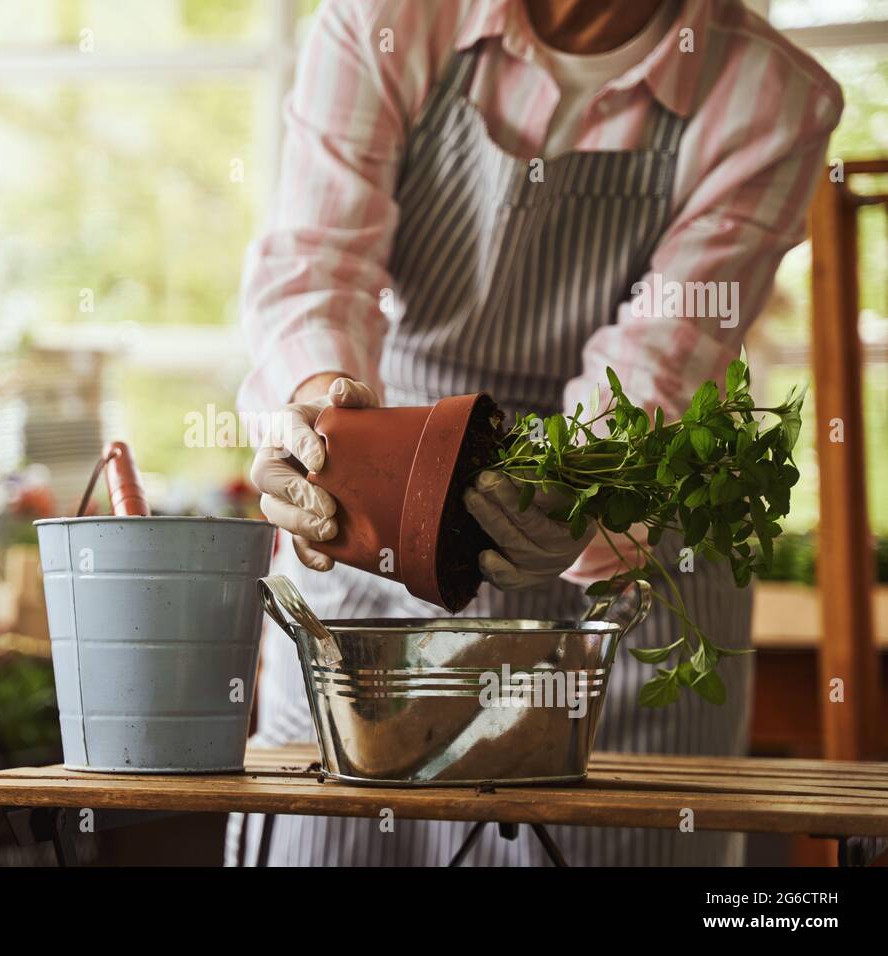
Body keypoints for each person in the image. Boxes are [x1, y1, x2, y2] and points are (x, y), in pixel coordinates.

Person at [230, 0, 841, 866]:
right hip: (380, 538)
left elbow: (663, 357)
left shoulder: (771, 95)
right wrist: (322, 417)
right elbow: (318, 264)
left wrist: (580, 490)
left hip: (629, 581)